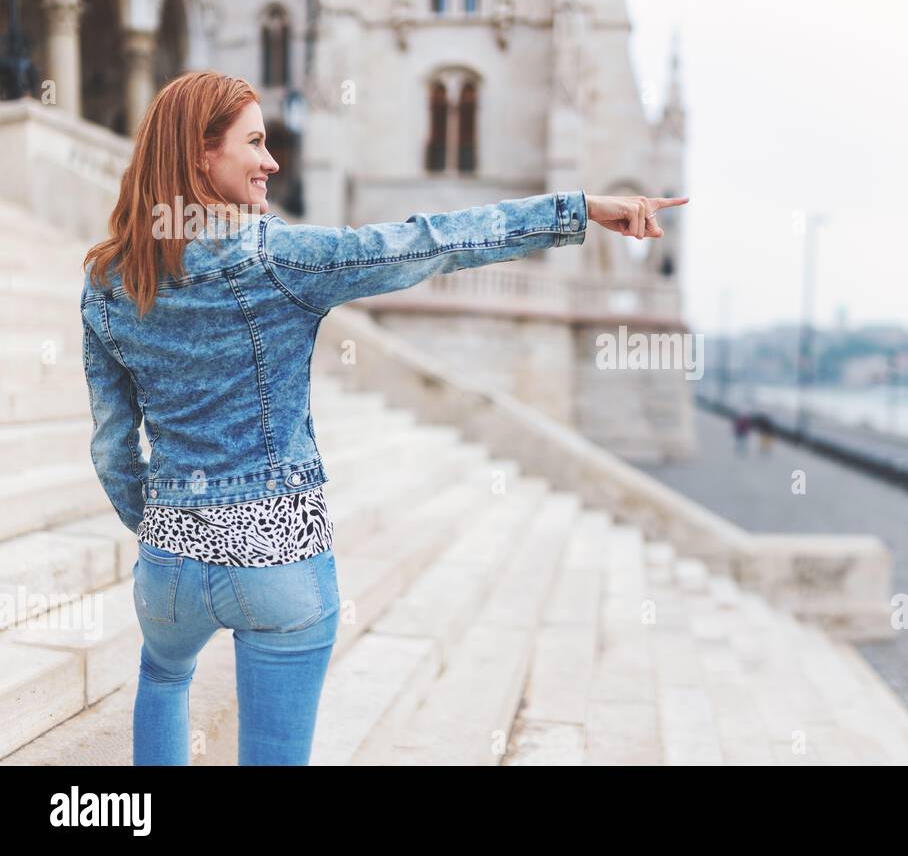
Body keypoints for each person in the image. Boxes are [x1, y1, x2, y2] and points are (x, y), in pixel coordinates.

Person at [80, 71, 689, 765]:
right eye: (255, 142)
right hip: (279, 562)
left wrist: (166, 528)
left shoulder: (105, 285)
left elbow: (111, 449)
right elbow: (432, 240)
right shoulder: (283, 259)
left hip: (171, 567)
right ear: (200, 155)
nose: (273, 161)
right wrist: (578, 209)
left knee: (163, 675)